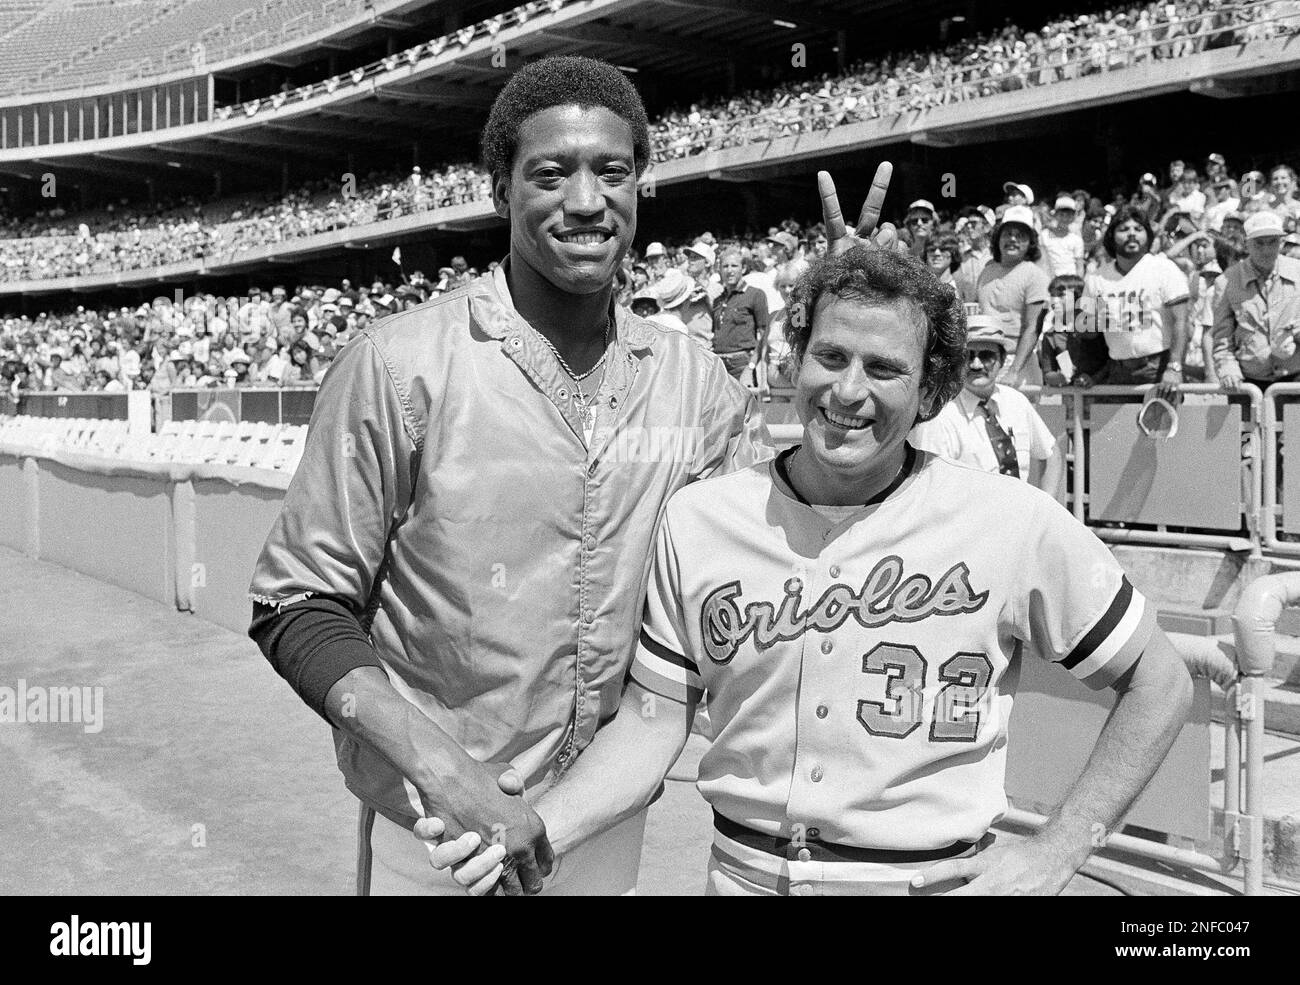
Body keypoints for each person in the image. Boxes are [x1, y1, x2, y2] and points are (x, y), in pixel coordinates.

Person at [477, 246, 1191, 896]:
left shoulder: (1012, 520)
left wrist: (1059, 848)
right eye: (831, 356)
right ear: (794, 360)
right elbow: (651, 721)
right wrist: (542, 824)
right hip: (743, 876)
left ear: (930, 392)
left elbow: (1160, 680)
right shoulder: (701, 518)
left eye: (884, 369)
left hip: (928, 882)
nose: (848, 392)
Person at [247, 55, 778, 898]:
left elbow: (747, 585)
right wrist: (451, 776)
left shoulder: (695, 385)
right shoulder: (398, 365)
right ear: (500, 190)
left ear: (641, 186)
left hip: (600, 823)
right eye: (550, 173)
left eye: (612, 172)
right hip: (433, 832)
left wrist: (849, 310)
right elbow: (298, 602)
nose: (584, 200)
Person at [911, 314, 1064, 493]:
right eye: (967, 356)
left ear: (1001, 360)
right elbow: (932, 485)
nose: (976, 365)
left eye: (986, 356)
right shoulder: (941, 415)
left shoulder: (1015, 402)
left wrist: (1045, 511)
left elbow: (1051, 454)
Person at [1084, 206, 1188, 394]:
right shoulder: (1096, 278)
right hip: (1117, 367)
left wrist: (1174, 367)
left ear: (1147, 236)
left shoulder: (1164, 268)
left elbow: (1181, 321)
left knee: (1161, 424)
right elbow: (1088, 332)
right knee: (1112, 424)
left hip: (1158, 367)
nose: (1132, 234)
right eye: (1124, 229)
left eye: (1138, 229)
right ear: (1111, 237)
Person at [1212, 211, 1300, 391]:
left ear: (1282, 242)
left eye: (1272, 242)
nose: (1266, 250)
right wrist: (1228, 369)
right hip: (1248, 382)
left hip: (1295, 378)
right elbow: (1222, 338)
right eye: (1259, 243)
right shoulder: (1227, 282)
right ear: (1247, 244)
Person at [977, 204, 1051, 386]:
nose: (1013, 239)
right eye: (1008, 233)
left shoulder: (1035, 275)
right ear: (998, 238)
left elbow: (1033, 327)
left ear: (1030, 243)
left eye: (1020, 236)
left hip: (1018, 364)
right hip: (985, 359)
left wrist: (1013, 371)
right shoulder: (986, 271)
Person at [713, 246, 770, 382]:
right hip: (719, 364)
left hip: (741, 363)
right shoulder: (718, 300)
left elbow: (764, 334)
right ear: (720, 270)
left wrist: (752, 367)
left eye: (734, 266)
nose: (729, 270)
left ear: (743, 269)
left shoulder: (755, 294)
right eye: (725, 266)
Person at [1039, 195, 1085, 278]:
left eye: (1068, 215)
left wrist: (1078, 286)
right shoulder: (1044, 235)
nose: (1065, 218)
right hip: (1049, 280)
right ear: (1055, 215)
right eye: (1061, 215)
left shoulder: (1076, 239)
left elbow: (1080, 267)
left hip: (1070, 283)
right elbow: (1042, 261)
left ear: (1073, 217)